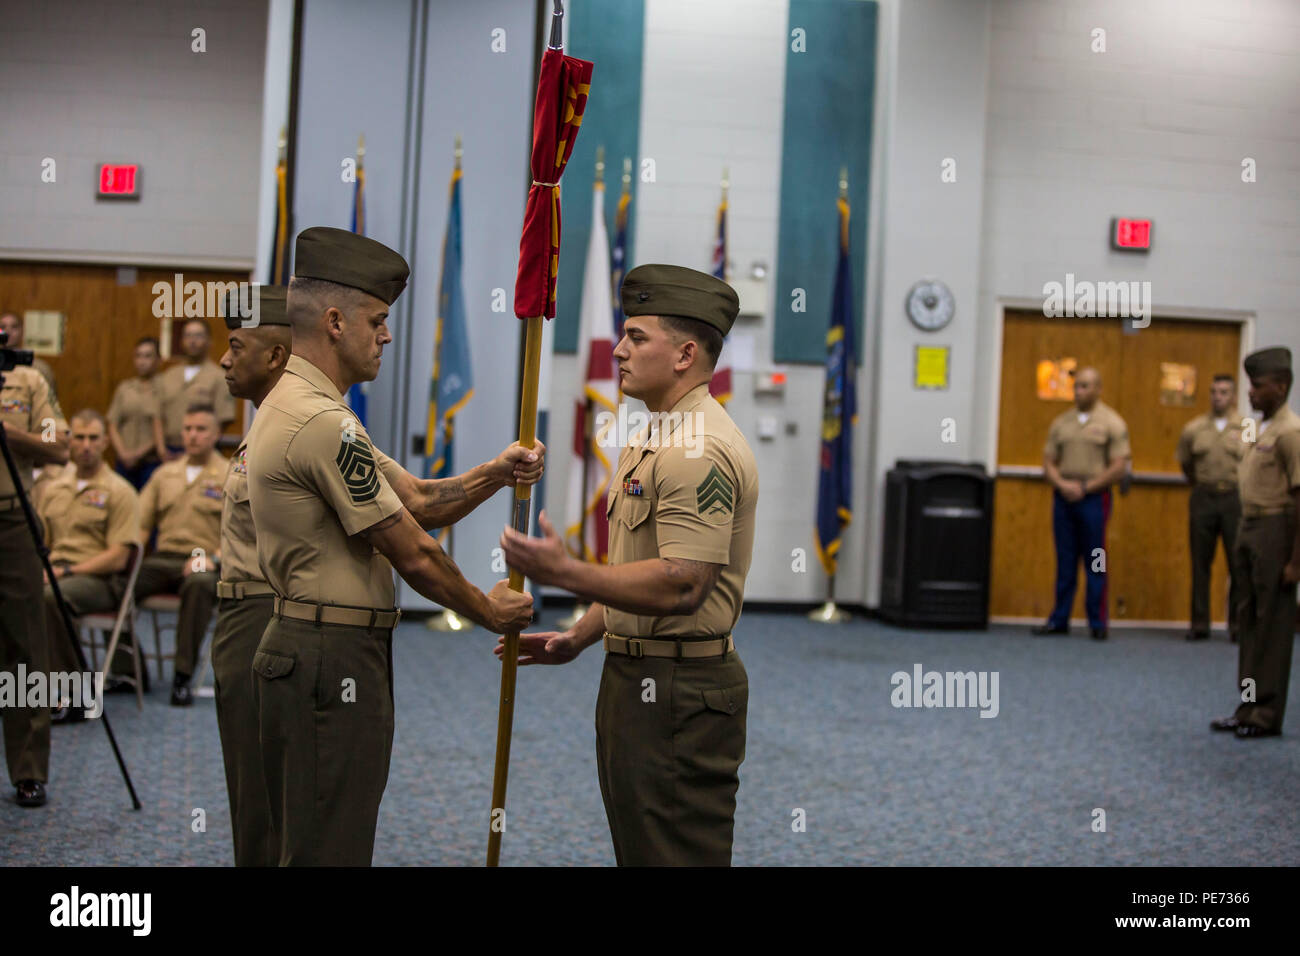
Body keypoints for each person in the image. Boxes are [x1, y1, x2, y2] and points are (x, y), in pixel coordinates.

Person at [213, 284, 547, 865]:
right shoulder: (317, 420)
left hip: (321, 639)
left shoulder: (313, 413)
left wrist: (496, 473)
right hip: (314, 644)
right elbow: (412, 550)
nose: (387, 335)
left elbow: (415, 498)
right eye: (379, 321)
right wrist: (489, 612)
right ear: (336, 324)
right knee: (307, 835)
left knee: (308, 827)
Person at [498, 264, 758, 866]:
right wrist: (580, 636)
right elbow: (637, 566)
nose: (618, 349)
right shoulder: (655, 435)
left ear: (685, 354)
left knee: (675, 855)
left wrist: (566, 574)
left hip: (679, 689)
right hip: (637, 677)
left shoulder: (700, 448)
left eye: (638, 337)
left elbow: (683, 584)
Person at [1211, 347, 1300, 739]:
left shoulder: (1290, 433)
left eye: (1258, 386)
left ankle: (1266, 713)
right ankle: (1247, 705)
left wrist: (1296, 563)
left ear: (1281, 387)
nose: (1251, 393)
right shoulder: (1257, 428)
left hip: (1276, 529)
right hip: (1248, 527)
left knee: (1273, 625)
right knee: (1247, 621)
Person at [38, 410, 140, 722]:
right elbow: (41, 543)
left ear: (105, 442)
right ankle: (17, 690)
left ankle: (75, 694)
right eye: (79, 437)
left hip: (100, 580)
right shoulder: (53, 489)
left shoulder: (120, 491)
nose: (85, 445)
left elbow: (119, 557)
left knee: (50, 597)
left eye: (93, 438)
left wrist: (67, 572)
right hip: (55, 571)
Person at [0, 358, 68, 807]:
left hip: (11, 520)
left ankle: (28, 771)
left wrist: (9, 435)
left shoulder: (26, 380)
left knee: (25, 644)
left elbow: (57, 445)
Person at [132, 405, 225, 705]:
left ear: (216, 434)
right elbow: (141, 526)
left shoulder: (230, 475)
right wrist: (129, 562)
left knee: (199, 584)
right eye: (187, 429)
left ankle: (182, 677)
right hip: (165, 559)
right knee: (116, 587)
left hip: (204, 559)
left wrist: (214, 559)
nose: (192, 436)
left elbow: (241, 532)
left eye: (200, 429)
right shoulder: (164, 474)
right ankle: (127, 670)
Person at [1032, 367, 1131, 640]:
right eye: (1077, 386)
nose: (1079, 391)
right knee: (1065, 560)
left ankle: (1097, 623)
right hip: (1064, 498)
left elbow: (1119, 467)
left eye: (1085, 386)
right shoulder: (1062, 423)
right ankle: (1059, 619)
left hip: (1094, 499)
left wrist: (1086, 487)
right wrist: (1063, 485)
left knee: (1096, 560)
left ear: (1098, 389)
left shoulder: (1112, 422)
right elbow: (1049, 462)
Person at [1176, 374, 1246, 641]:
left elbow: (1254, 460)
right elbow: (1185, 463)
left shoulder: (1246, 426)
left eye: (1225, 392)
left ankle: (1237, 625)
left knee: (1238, 564)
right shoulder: (1194, 428)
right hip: (1203, 497)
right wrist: (1198, 483)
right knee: (1200, 563)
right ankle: (1200, 623)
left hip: (1234, 497)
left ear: (1233, 396)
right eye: (1215, 391)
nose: (1219, 396)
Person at [157, 319, 235, 455]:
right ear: (181, 341)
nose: (192, 340)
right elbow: (157, 415)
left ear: (209, 341)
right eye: (188, 336)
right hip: (169, 450)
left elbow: (224, 419)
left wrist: (201, 444)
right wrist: (161, 449)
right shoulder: (168, 375)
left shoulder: (219, 376)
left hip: (204, 451)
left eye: (198, 336)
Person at [108, 337, 168, 490]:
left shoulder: (166, 389)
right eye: (138, 356)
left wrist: (138, 454)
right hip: (124, 461)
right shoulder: (125, 388)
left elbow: (164, 428)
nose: (142, 361)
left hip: (151, 463)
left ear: (158, 360)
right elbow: (113, 423)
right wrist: (123, 453)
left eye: (148, 356)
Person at [0, 311, 56, 396]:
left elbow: (49, 401)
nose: (8, 331)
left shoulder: (39, 368)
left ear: (22, 330)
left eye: (14, 327)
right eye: (3, 327)